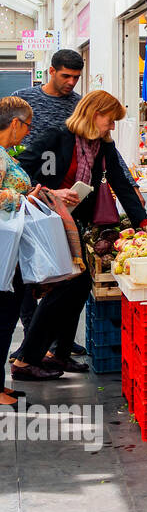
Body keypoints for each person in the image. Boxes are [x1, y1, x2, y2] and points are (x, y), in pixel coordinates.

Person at [12, 91, 147, 381]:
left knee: (78, 286)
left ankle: (59, 352)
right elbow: (19, 172)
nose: (113, 126)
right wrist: (48, 193)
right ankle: (26, 359)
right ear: (94, 115)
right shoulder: (57, 138)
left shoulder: (102, 146)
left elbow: (121, 183)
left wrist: (145, 224)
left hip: (72, 225)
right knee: (70, 284)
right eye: (110, 119)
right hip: (45, 225)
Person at [0, 97, 39, 404]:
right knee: (1, 317)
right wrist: (22, 198)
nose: (28, 131)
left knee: (8, 315)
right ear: (15, 123)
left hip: (9, 249)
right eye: (27, 125)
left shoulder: (5, 154)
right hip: (2, 250)